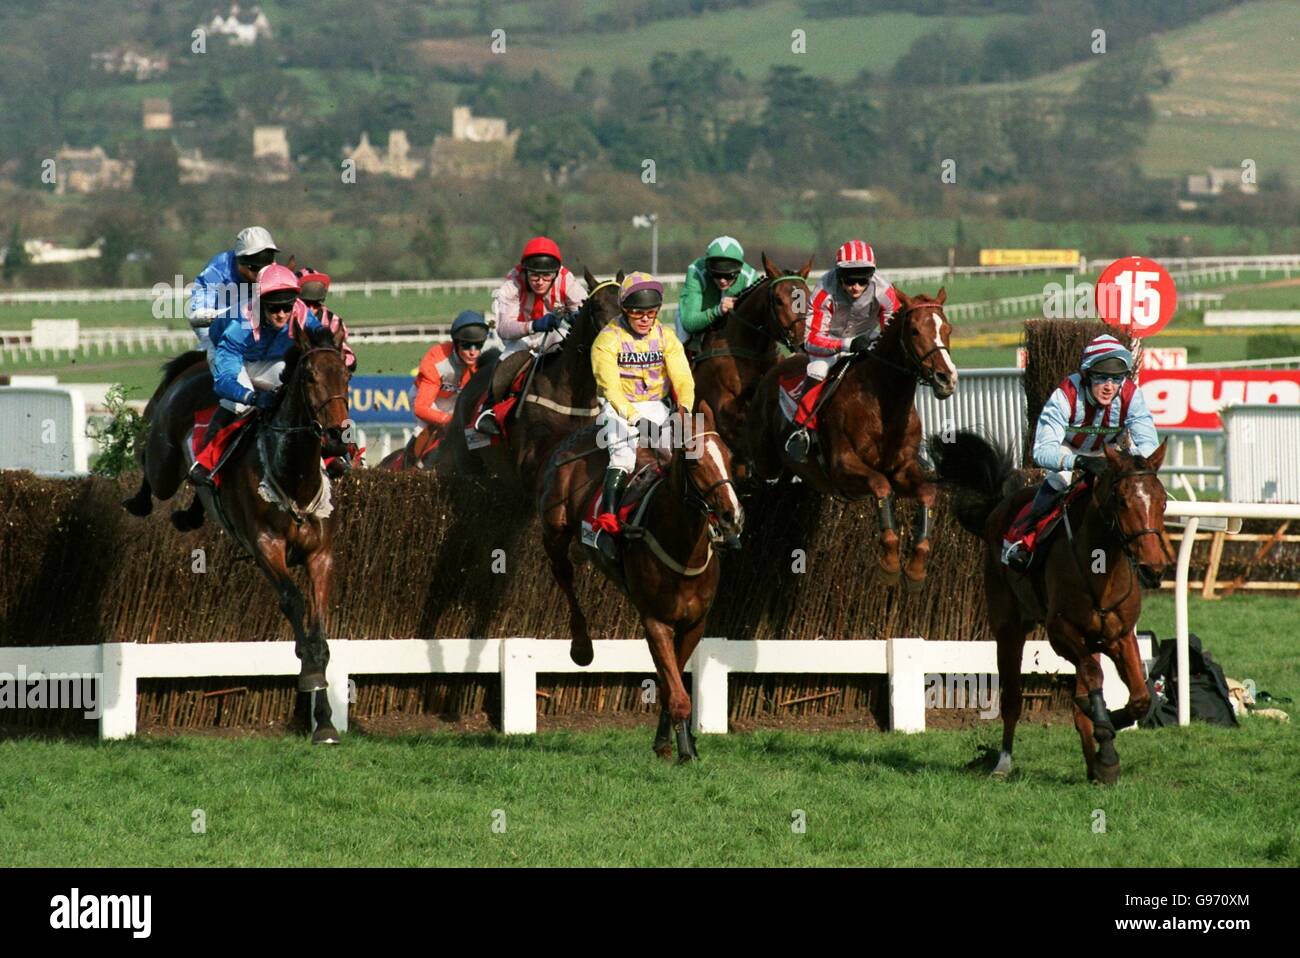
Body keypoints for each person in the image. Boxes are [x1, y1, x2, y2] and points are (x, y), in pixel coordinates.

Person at [1001, 334, 1160, 572]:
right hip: (1069, 449)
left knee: (1142, 489)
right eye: (1102, 377)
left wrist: (1130, 465)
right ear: (1086, 376)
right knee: (1058, 480)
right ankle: (1026, 541)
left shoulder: (1131, 394)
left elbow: (1149, 445)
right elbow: (1042, 451)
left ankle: (1153, 547)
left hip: (1111, 452)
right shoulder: (1065, 395)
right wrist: (1077, 461)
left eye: (1116, 379)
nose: (1109, 386)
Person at [188, 264, 327, 486]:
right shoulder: (239, 325)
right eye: (274, 309)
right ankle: (206, 460)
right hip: (231, 356)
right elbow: (225, 382)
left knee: (298, 390)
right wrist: (252, 397)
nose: (282, 314)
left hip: (267, 356)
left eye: (287, 307)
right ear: (261, 304)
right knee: (240, 404)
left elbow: (322, 349)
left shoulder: (301, 313)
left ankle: (333, 453)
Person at [590, 272, 695, 542]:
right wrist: (634, 418)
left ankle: (705, 515)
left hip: (657, 406)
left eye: (651, 312)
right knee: (623, 456)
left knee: (685, 454)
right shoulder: (607, 339)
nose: (646, 318)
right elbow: (610, 387)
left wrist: (683, 408)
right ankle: (609, 519)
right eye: (638, 313)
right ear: (625, 309)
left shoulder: (666, 337)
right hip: (618, 408)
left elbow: (683, 377)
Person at [785, 240, 900, 463]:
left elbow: (891, 330)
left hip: (868, 338)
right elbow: (810, 339)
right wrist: (846, 345)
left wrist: (873, 344)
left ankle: (904, 436)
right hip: (828, 342)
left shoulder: (885, 291)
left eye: (862, 280)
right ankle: (801, 429)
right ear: (839, 276)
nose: (856, 286)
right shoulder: (823, 290)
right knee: (817, 369)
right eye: (849, 280)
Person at [474, 236, 587, 434]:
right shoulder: (512, 284)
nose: (540, 282)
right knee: (508, 358)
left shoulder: (566, 279)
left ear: (556, 272)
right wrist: (534, 325)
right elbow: (504, 328)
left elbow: (584, 309)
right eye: (535, 276)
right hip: (520, 336)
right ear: (525, 271)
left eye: (546, 276)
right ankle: (489, 410)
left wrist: (576, 317)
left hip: (554, 332)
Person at [410, 311, 489, 459]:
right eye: (466, 346)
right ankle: (410, 468)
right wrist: (448, 420)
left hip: (455, 399)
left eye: (478, 346)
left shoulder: (480, 366)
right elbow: (421, 408)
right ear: (456, 343)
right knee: (425, 430)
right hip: (427, 400)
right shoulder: (436, 360)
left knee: (473, 433)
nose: (473, 352)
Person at [188, 226, 279, 353]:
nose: (261, 275)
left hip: (253, 321)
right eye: (254, 268)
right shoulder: (216, 271)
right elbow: (196, 316)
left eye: (265, 268)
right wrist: (238, 313)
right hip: (214, 323)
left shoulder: (273, 270)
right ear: (239, 262)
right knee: (217, 350)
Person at [675, 235, 761, 351]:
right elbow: (689, 323)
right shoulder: (696, 271)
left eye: (728, 275)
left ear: (739, 271)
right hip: (698, 316)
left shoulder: (750, 278)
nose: (722, 280)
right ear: (708, 268)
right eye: (716, 274)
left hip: (733, 323)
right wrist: (718, 311)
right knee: (682, 340)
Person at [294, 267, 357, 372]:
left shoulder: (333, 321)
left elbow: (350, 360)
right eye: (306, 303)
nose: (311, 310)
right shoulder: (285, 316)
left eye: (316, 304)